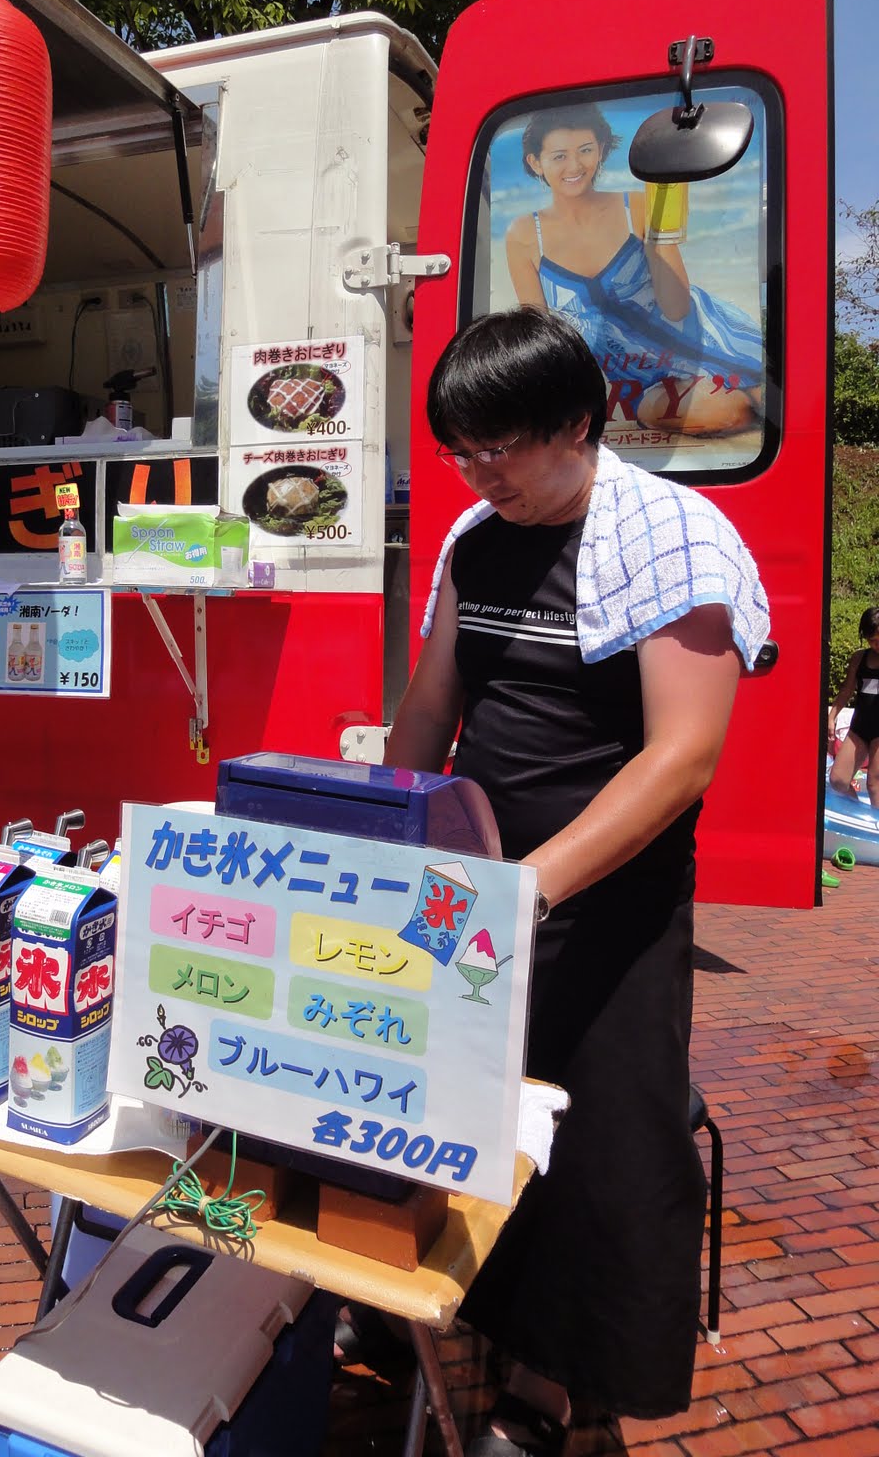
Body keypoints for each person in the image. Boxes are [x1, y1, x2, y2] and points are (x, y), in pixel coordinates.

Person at [384, 308, 769, 1457]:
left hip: (606, 896)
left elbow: (680, 757)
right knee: (466, 1112)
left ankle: (556, 1386)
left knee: (597, 1144)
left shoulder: (674, 539)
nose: (478, 470)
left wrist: (530, 887)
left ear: (578, 423)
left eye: (501, 446)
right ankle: (457, 1309)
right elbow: (432, 708)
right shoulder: (473, 538)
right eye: (461, 447)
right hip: (475, 884)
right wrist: (380, 827)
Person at [504, 103, 764, 435]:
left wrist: (661, 232)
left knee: (768, 394)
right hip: (636, 374)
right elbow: (539, 341)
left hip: (708, 337)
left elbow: (676, 307)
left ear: (600, 150)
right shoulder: (524, 236)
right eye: (559, 156)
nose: (574, 165)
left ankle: (751, 393)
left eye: (585, 150)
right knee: (709, 413)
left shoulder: (637, 206)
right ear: (535, 162)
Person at [828, 607, 879, 806]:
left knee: (875, 784)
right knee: (838, 780)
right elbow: (846, 691)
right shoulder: (859, 659)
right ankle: (864, 817)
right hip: (860, 727)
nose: (875, 645)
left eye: (878, 639)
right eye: (871, 640)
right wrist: (832, 717)